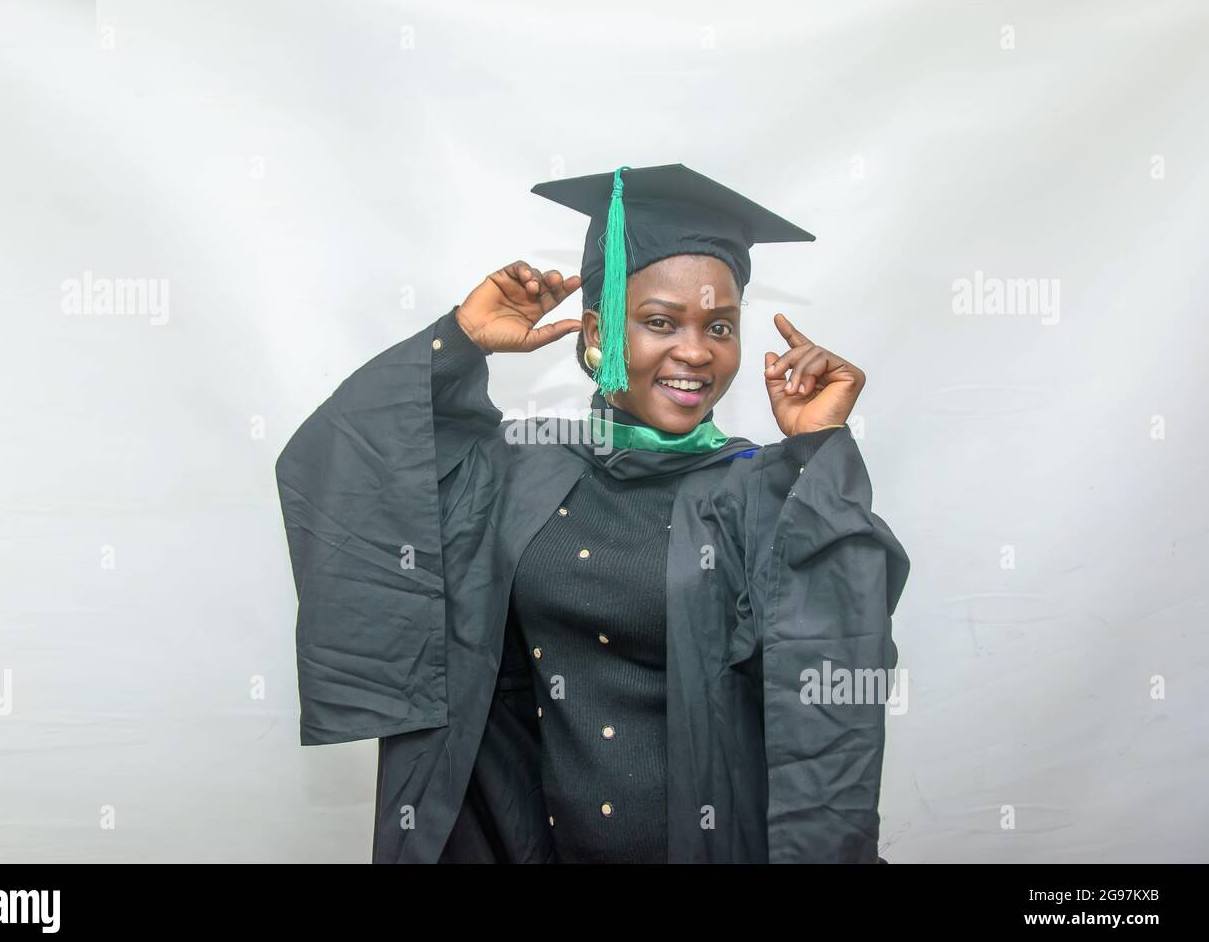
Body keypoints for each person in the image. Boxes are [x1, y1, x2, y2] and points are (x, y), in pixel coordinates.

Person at [274, 163, 911, 864]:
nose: (696, 352)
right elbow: (359, 464)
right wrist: (456, 340)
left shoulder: (759, 491)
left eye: (720, 326)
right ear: (598, 334)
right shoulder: (522, 471)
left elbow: (841, 644)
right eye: (660, 321)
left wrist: (818, 448)